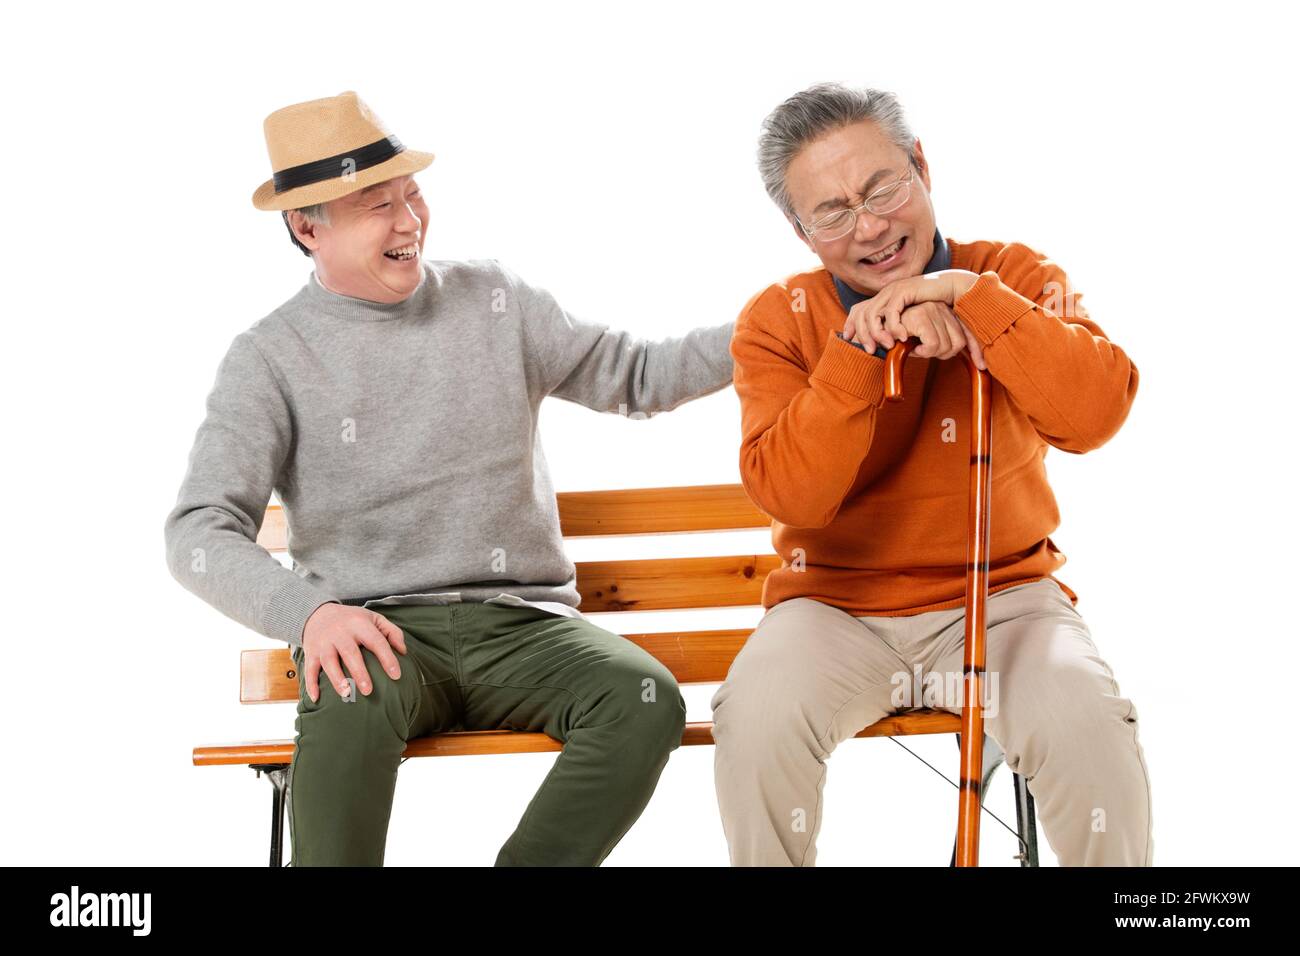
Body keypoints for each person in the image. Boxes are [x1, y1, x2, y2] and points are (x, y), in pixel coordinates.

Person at [164, 91, 735, 866]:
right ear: (308, 227)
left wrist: (781, 323)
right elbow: (198, 530)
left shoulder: (497, 301)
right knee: (351, 693)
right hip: (378, 636)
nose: (410, 222)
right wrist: (310, 616)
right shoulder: (269, 357)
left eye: (412, 195)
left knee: (643, 699)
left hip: (526, 628)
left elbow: (638, 376)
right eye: (376, 206)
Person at [712, 82, 1153, 866]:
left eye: (882, 187)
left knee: (1084, 717)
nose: (872, 226)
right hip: (833, 610)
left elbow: (1096, 416)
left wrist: (976, 302)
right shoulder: (777, 318)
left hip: (1006, 600)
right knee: (756, 719)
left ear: (920, 165)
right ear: (798, 228)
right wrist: (856, 357)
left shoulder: (1011, 272)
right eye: (834, 211)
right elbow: (793, 496)